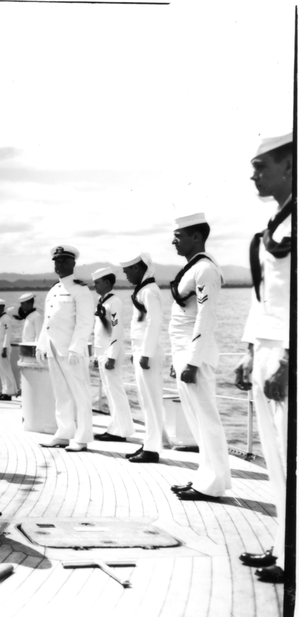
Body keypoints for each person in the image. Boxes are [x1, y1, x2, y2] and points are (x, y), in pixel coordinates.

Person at [234, 133, 293, 584]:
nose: (254, 176)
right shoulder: (275, 222)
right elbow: (263, 296)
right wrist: (249, 350)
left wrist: (289, 361)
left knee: (293, 456)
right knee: (275, 457)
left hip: (289, 351)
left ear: (290, 166)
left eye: (261, 167)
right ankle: (286, 545)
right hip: (267, 348)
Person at [168, 212, 231, 501]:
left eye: (178, 236)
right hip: (184, 353)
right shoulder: (193, 268)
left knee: (207, 420)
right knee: (196, 421)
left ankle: (214, 484)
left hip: (196, 356)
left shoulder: (205, 270)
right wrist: (178, 360)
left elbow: (206, 319)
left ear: (195, 237)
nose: (173, 241)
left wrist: (192, 362)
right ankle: (205, 479)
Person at [35, 245, 94, 452]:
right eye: (56, 261)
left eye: (64, 261)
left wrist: (76, 348)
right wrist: (41, 345)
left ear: (73, 263)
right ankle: (63, 433)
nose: (59, 265)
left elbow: (85, 322)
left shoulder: (80, 290)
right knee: (61, 394)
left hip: (72, 352)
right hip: (54, 349)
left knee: (80, 394)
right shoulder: (53, 290)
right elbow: (47, 321)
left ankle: (82, 437)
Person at [120, 254, 167, 463]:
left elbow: (154, 322)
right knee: (146, 402)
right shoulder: (143, 290)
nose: (126, 276)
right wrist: (136, 352)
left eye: (127, 271)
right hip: (141, 351)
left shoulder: (148, 291)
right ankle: (149, 444)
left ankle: (152, 449)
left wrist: (146, 354)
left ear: (138, 269)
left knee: (152, 402)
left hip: (149, 353)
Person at [91, 267, 135, 445]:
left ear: (107, 282)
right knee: (109, 392)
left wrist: (111, 356)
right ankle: (116, 428)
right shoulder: (102, 301)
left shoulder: (114, 302)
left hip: (110, 353)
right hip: (102, 352)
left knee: (115, 392)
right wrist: (97, 356)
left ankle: (121, 431)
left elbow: (117, 330)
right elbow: (100, 331)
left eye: (97, 282)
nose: (94, 285)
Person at [0, 299, 17, 401]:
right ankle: (4, 391)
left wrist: (5, 348)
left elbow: (7, 334)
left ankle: (10, 392)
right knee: (1, 370)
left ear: (1, 307)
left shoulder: (6, 319)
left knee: (6, 370)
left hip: (3, 346)